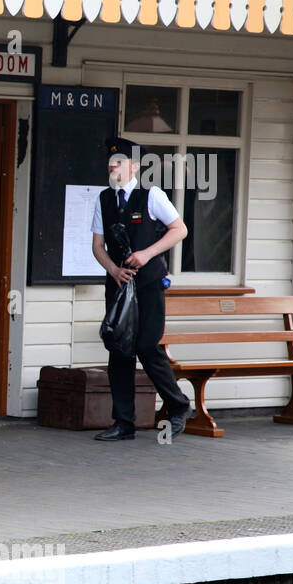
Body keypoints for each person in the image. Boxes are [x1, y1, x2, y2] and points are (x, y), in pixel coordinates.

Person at [90, 137, 193, 441]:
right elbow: (98, 245)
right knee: (120, 351)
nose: (112, 166)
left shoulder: (152, 196)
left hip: (147, 285)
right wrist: (113, 269)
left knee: (147, 346)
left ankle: (178, 406)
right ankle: (124, 422)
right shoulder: (104, 200)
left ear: (134, 166)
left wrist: (147, 254)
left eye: (119, 162)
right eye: (110, 162)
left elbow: (180, 229)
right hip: (120, 287)